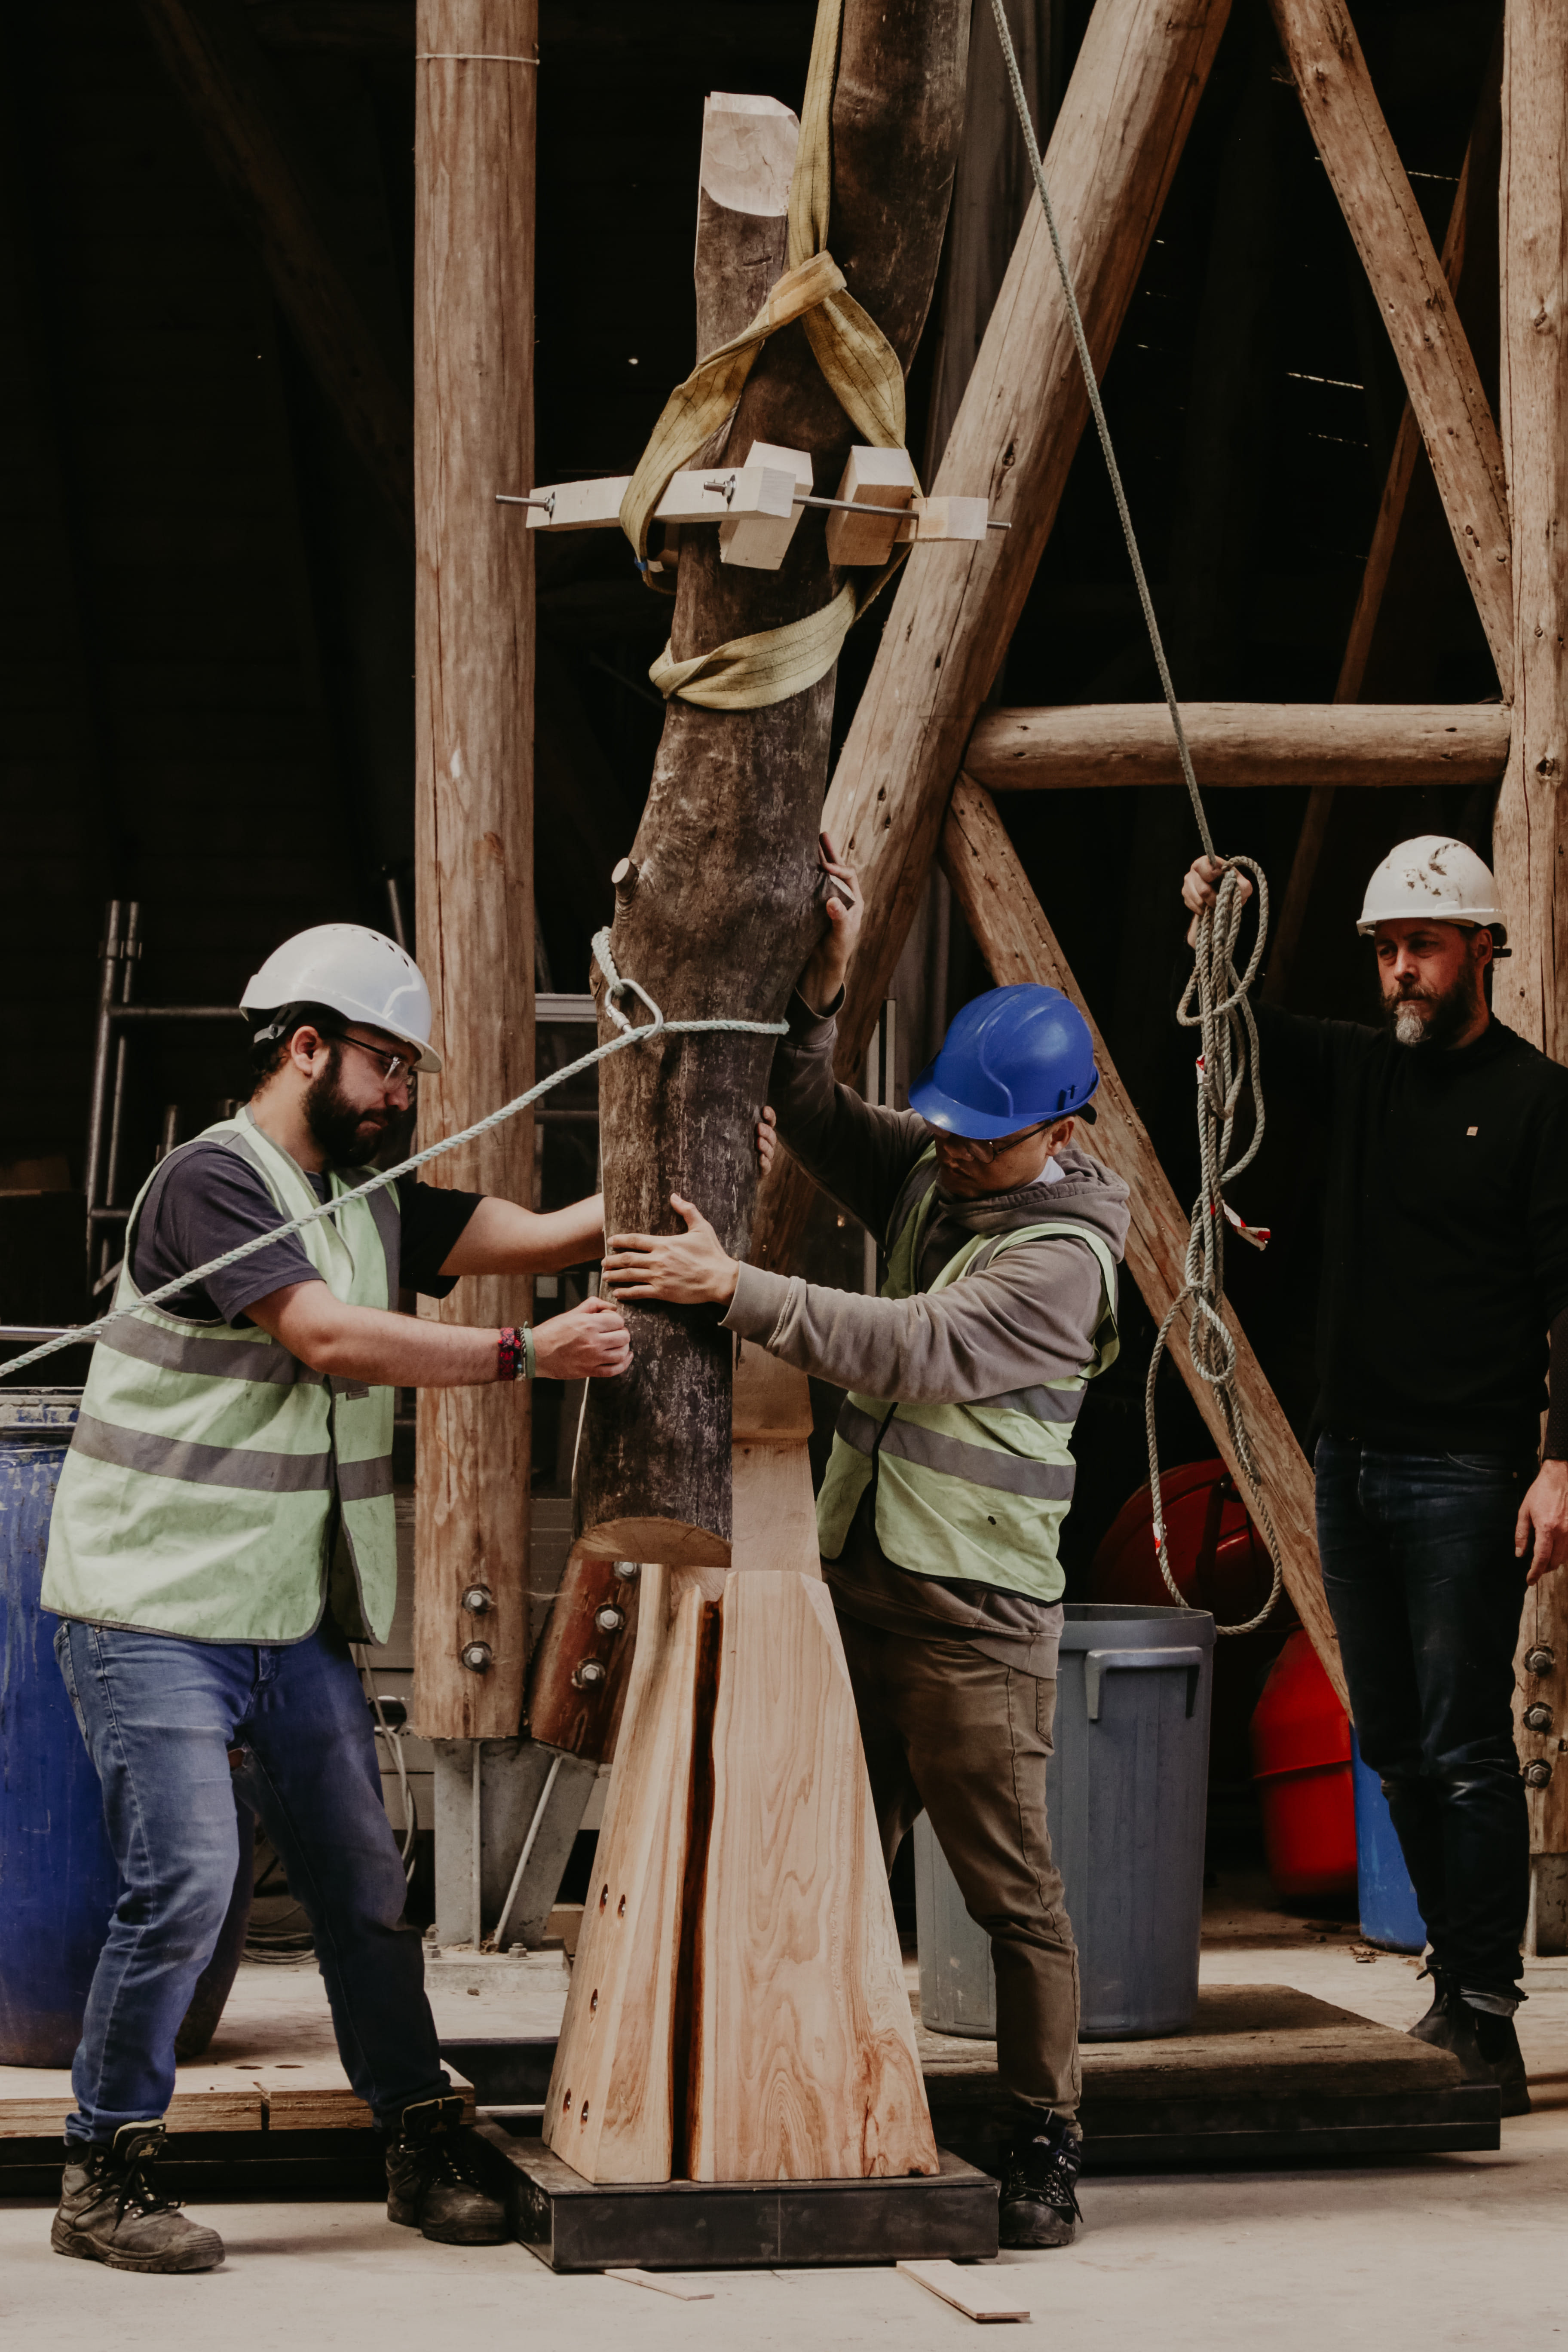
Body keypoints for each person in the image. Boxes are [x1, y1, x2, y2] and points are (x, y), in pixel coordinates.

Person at [42, 923, 631, 2274]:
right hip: (151, 1606)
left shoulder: (368, 1197)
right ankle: (105, 2171)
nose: (401, 1097)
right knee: (186, 1882)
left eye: (408, 1076)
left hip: (285, 1615)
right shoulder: (212, 1185)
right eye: (384, 1066)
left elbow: (527, 1231)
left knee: (368, 1885)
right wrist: (521, 1353)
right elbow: (324, 1334)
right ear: (304, 1048)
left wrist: (643, 1199)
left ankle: (419, 2136)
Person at [601, 841, 1128, 2249]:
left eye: (986, 1137)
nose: (953, 1150)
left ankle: (1043, 2137)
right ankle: (802, 2092)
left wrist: (736, 1288)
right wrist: (820, 994)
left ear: (1062, 1133)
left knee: (1010, 1892)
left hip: (973, 1619)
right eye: (948, 1127)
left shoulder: (1062, 1260)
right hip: (864, 1587)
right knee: (816, 1849)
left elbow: (912, 1345)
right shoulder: (941, 1176)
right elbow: (807, 1105)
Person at [1180, 836, 1568, 2115]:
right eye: (1390, 951)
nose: (1402, 971)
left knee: (1464, 1748)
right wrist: (1212, 927)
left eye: (1426, 948)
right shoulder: (1358, 1074)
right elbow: (1234, 1031)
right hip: (1351, 1463)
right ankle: (1456, 1991)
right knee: (1396, 1744)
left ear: (1483, 951)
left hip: (1467, 1470)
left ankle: (1492, 2021)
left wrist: (1559, 1466)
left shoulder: (1539, 1104)